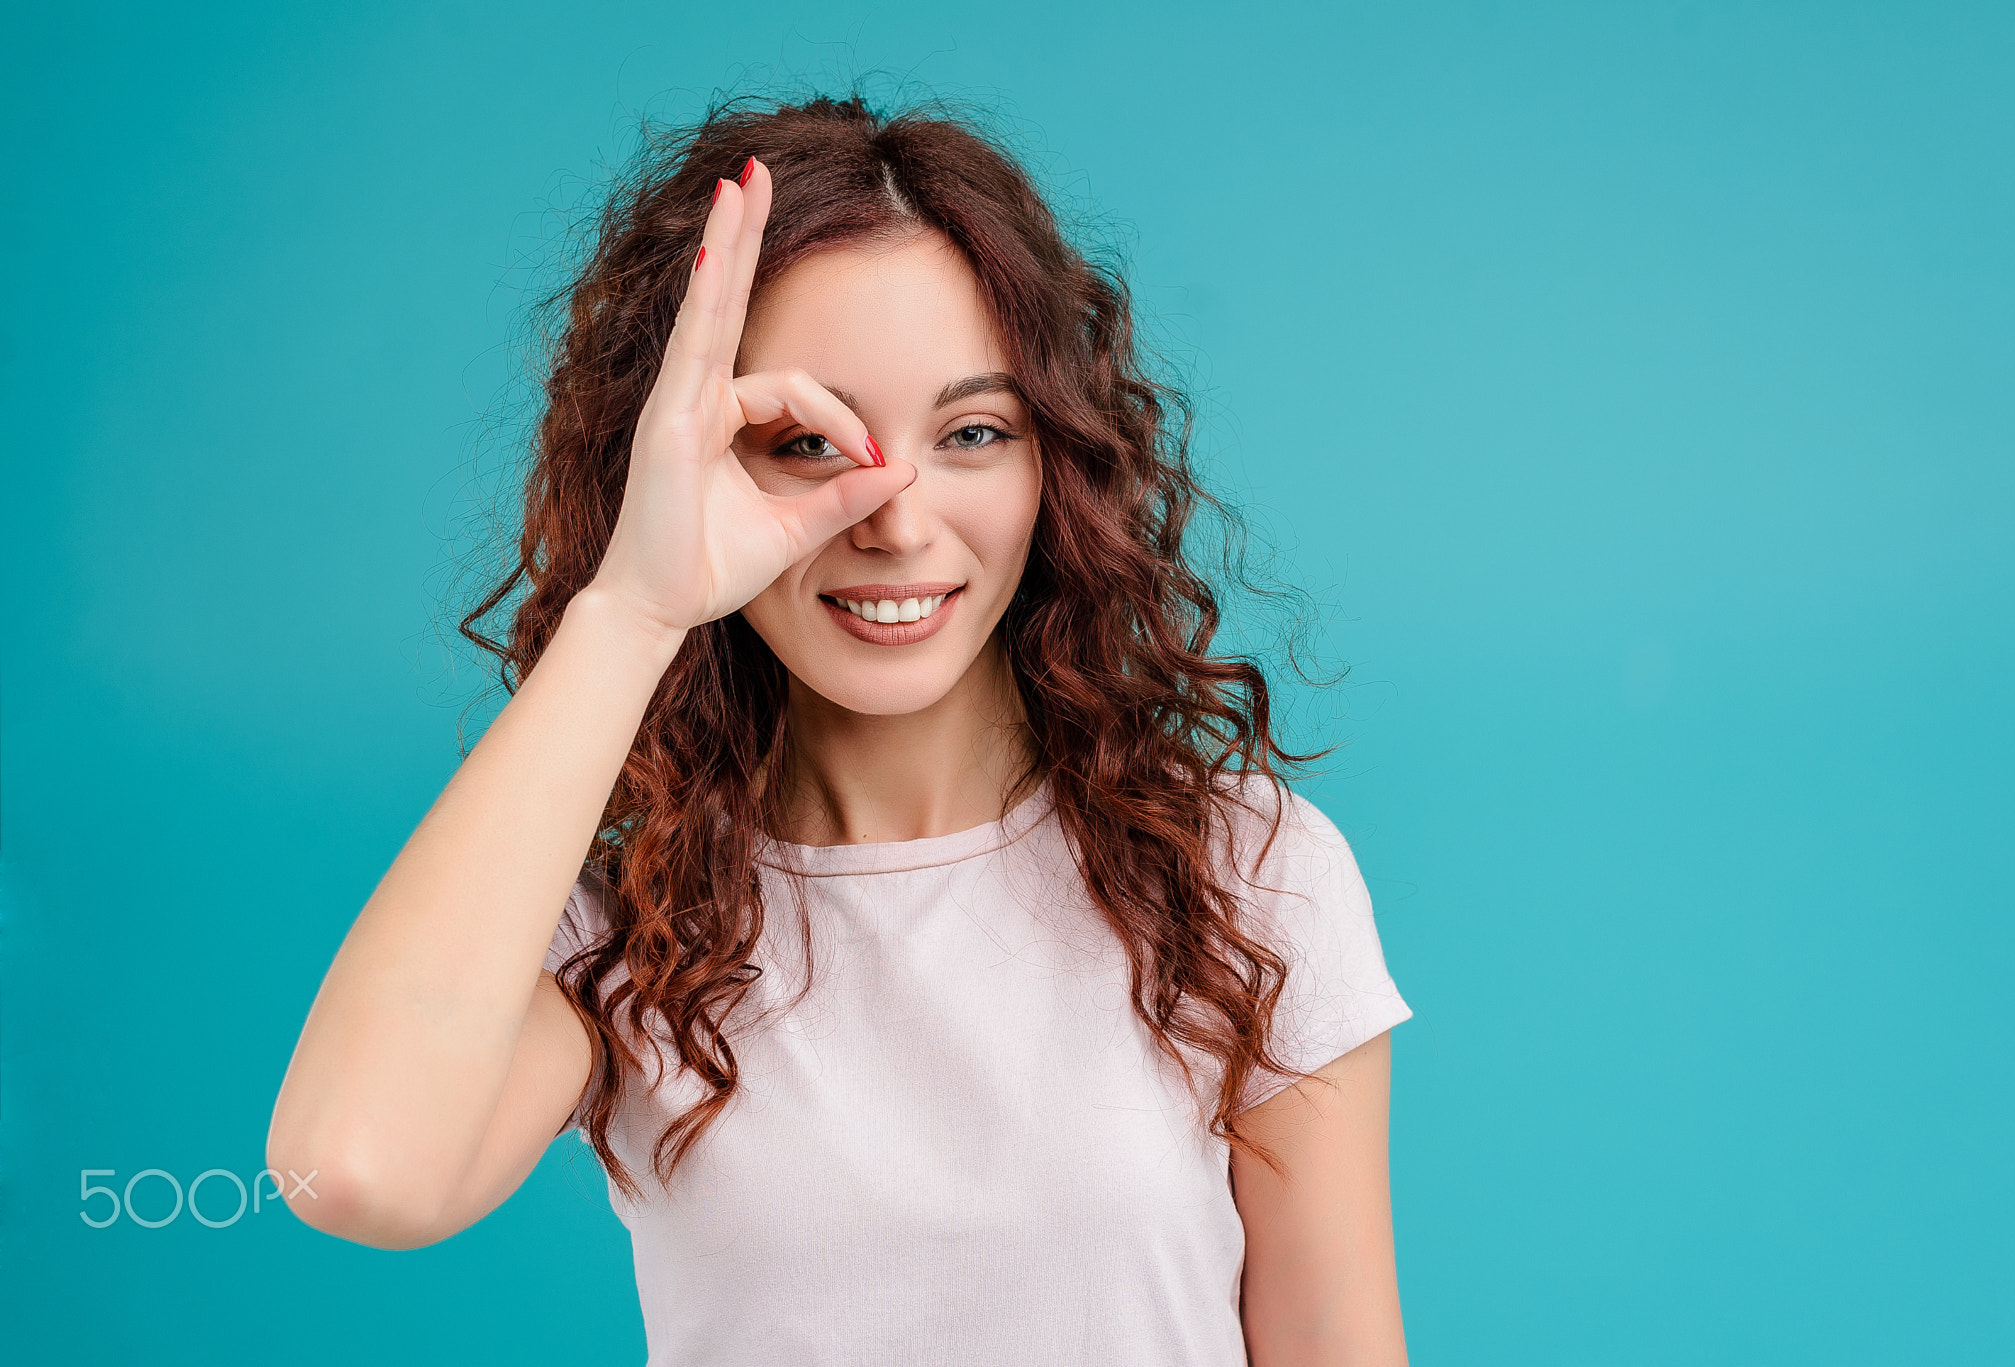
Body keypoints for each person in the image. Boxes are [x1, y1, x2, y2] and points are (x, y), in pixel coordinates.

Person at [268, 93, 1413, 1367]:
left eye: (972, 431)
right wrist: (635, 604)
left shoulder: (1242, 874)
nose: (896, 518)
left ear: (1055, 465)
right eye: (807, 442)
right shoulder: (628, 928)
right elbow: (350, 1172)